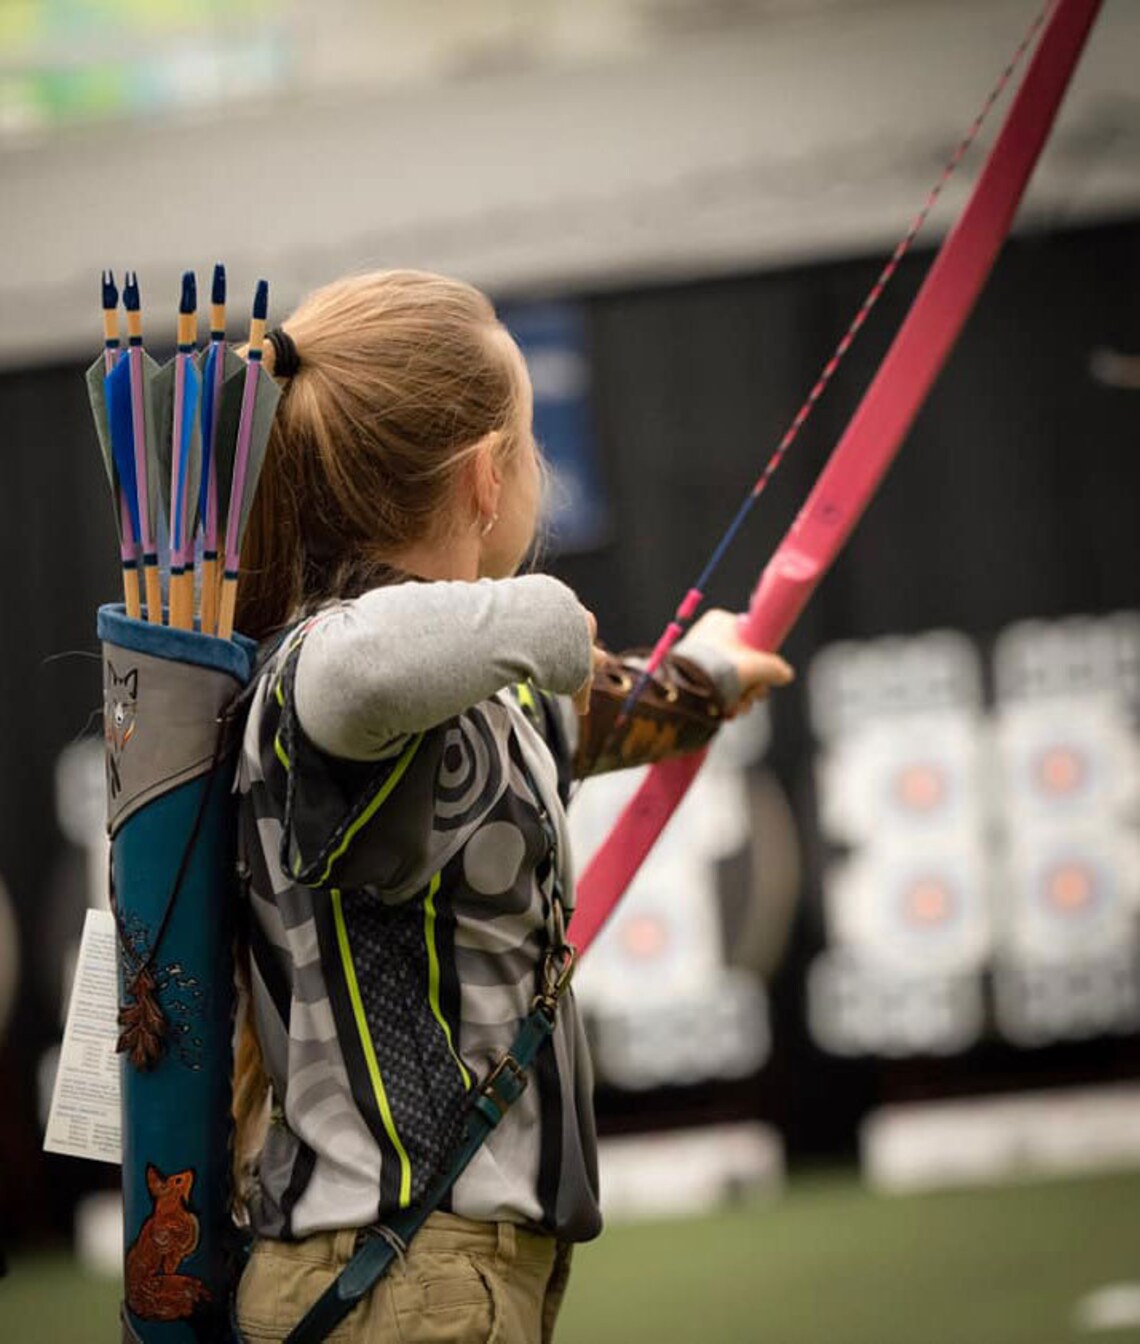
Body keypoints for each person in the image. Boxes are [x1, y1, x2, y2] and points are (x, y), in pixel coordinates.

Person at [230, 269, 793, 1344]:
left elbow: (583, 718)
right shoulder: (318, 674)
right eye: (525, 447)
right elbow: (360, 672)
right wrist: (543, 613)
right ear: (489, 478)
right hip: (392, 1274)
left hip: (445, 1276)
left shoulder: (477, 697)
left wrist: (710, 674)